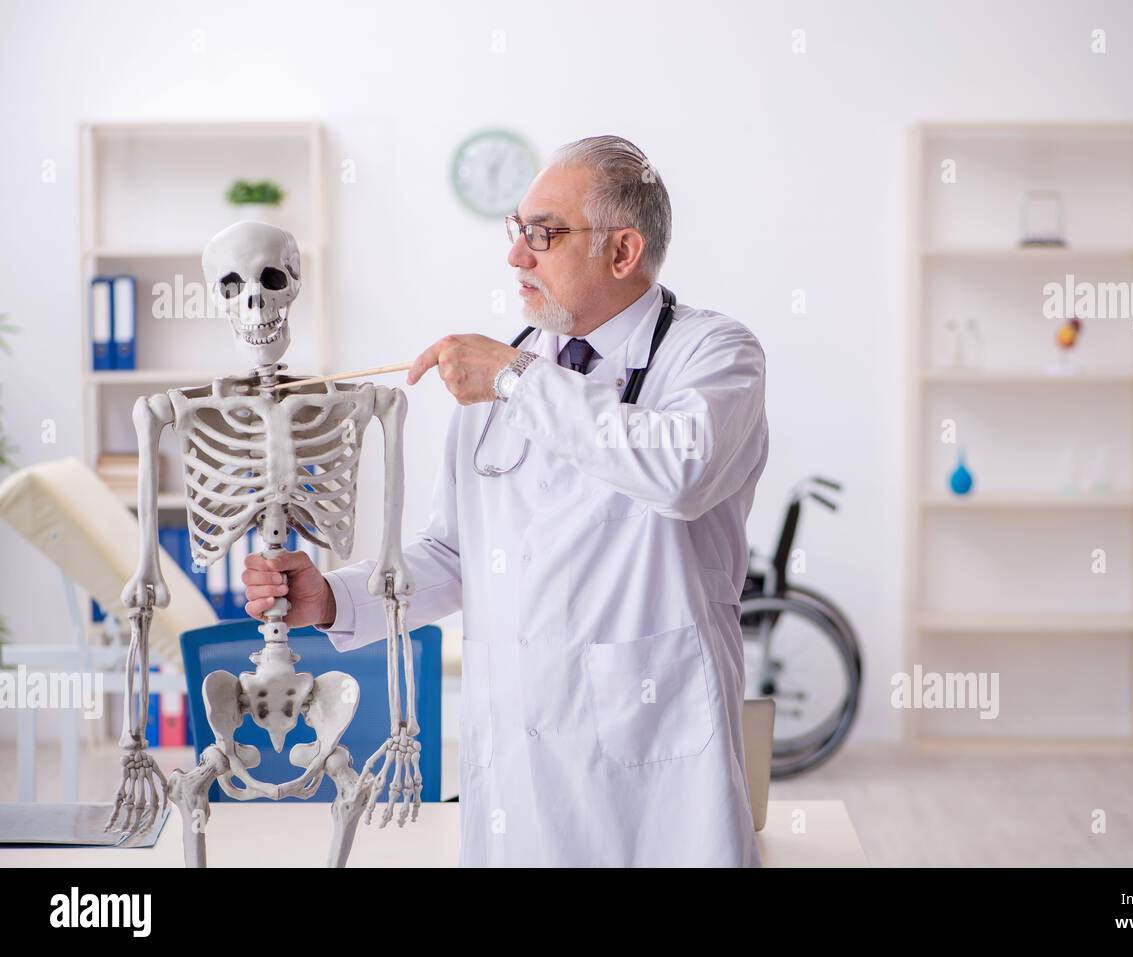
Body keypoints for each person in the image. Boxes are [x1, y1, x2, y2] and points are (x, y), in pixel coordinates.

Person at [243, 134, 769, 866]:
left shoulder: (714, 354)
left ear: (623, 252)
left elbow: (676, 469)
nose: (516, 256)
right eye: (515, 231)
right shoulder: (504, 372)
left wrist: (519, 378)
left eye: (543, 235)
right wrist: (330, 599)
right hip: (517, 783)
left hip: (657, 780)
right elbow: (452, 555)